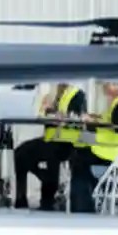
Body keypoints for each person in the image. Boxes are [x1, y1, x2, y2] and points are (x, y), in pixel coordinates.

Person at [12, 82, 86, 210]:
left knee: (51, 156)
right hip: (50, 138)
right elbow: (46, 115)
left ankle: (48, 199)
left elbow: (78, 119)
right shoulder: (52, 95)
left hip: (68, 142)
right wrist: (45, 110)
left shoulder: (77, 95)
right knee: (20, 153)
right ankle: (21, 199)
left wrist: (56, 114)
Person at [68, 81, 118, 213]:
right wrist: (95, 119)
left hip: (106, 152)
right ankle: (86, 200)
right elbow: (109, 121)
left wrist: (94, 122)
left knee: (78, 160)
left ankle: (83, 207)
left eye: (111, 83)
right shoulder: (113, 104)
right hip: (102, 149)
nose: (105, 86)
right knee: (77, 154)